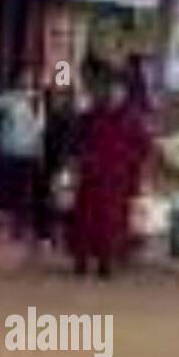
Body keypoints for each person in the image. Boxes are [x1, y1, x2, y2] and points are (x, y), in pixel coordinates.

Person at [70, 70, 150, 277]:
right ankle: (81, 260)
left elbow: (143, 147)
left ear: (124, 94)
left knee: (111, 221)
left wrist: (129, 165)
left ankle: (106, 262)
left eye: (118, 91)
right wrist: (82, 159)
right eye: (111, 90)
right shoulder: (91, 115)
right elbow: (77, 140)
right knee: (85, 219)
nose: (114, 94)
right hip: (92, 175)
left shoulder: (132, 118)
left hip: (116, 177)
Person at [0, 66, 44, 242]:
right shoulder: (9, 99)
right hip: (12, 150)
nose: (27, 82)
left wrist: (39, 148)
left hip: (31, 151)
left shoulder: (38, 100)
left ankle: (26, 226)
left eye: (30, 78)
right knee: (13, 191)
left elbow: (39, 127)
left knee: (29, 192)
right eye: (24, 78)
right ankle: (13, 226)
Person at [34, 83, 76, 246]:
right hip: (49, 163)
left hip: (59, 163)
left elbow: (67, 143)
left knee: (59, 199)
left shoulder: (66, 118)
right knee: (50, 198)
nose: (56, 101)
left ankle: (54, 234)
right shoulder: (51, 116)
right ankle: (48, 233)